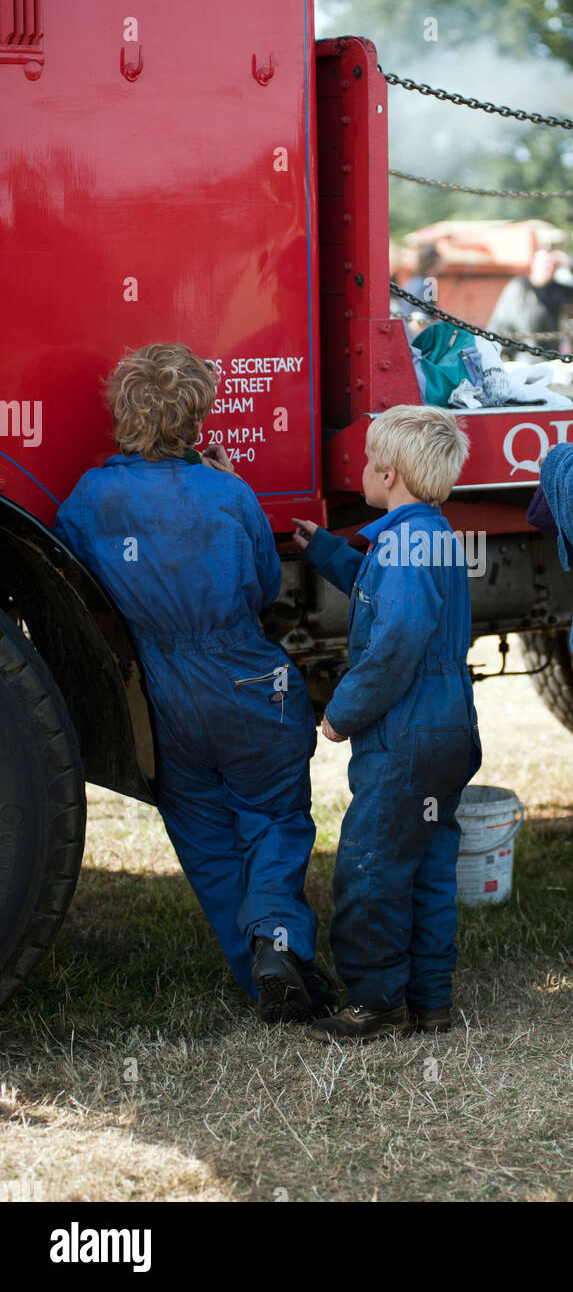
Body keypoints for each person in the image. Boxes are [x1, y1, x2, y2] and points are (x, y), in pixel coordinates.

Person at [54, 343, 329, 1023]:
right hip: (246, 678)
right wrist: (226, 489)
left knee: (204, 836)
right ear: (198, 417)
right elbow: (265, 585)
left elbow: (74, 587)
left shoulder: (89, 499)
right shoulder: (227, 492)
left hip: (163, 693)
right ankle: (277, 942)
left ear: (122, 411)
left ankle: (256, 975)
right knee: (273, 819)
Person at [293, 405, 481, 1042]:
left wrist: (343, 712)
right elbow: (381, 590)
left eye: (368, 461)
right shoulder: (429, 535)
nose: (360, 471)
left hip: (405, 730)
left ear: (390, 473)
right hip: (451, 725)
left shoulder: (400, 544)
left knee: (372, 865)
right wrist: (323, 549)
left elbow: (397, 636)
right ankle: (430, 1002)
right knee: (428, 863)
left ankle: (375, 1003)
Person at [487, 247, 573, 361]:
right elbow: (509, 324)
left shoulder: (557, 290)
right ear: (534, 264)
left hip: (548, 356)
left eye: (552, 264)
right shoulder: (519, 288)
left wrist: (571, 265)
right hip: (520, 356)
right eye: (544, 264)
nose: (548, 268)